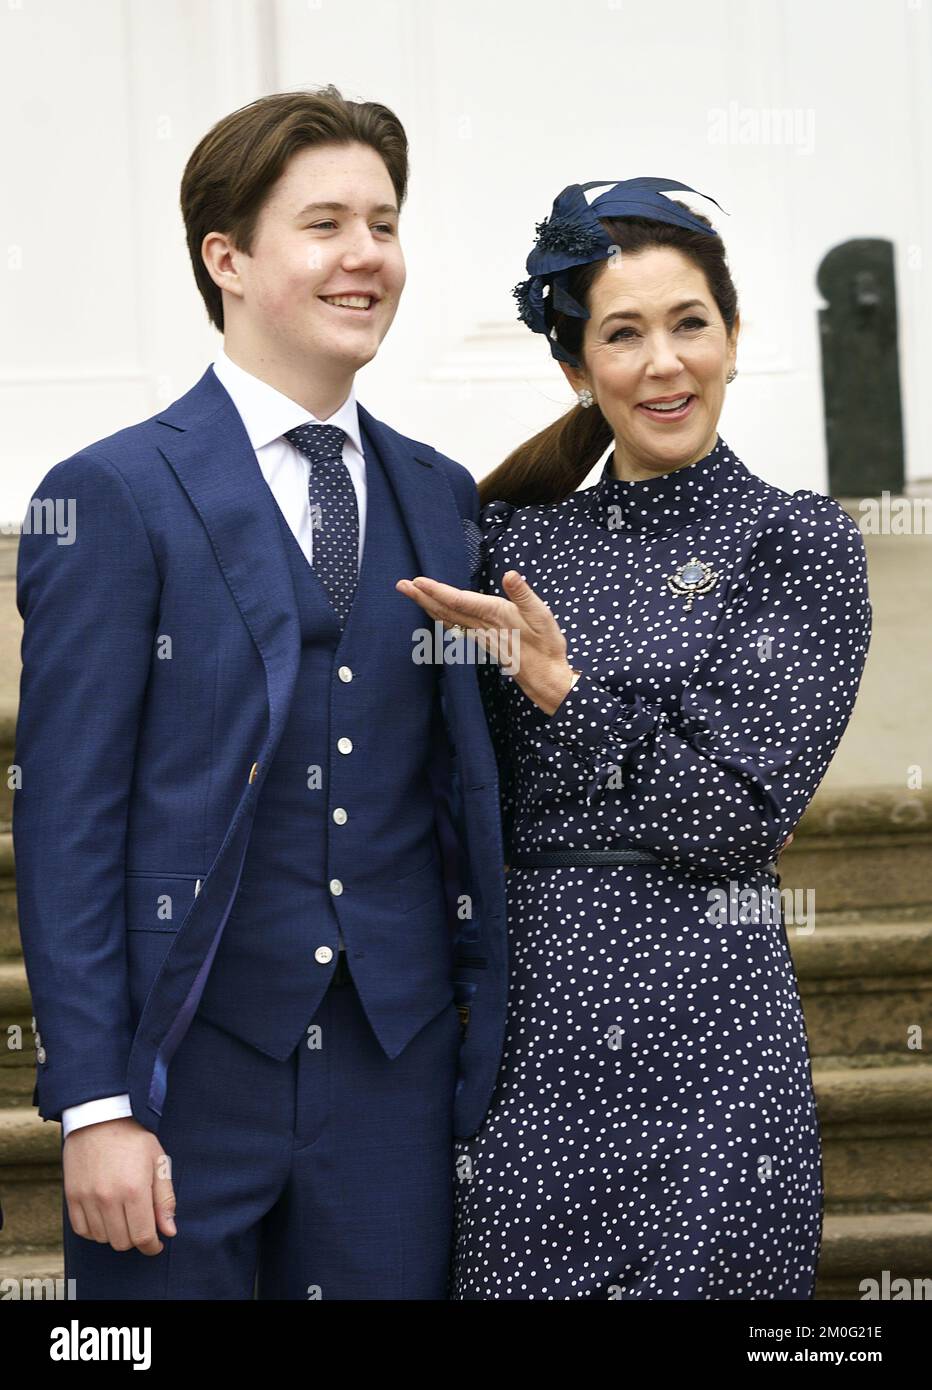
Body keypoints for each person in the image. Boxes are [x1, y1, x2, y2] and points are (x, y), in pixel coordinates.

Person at [13, 86, 509, 1300]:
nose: (367, 257)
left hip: (391, 1082)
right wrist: (95, 1105)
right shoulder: (113, 495)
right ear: (225, 258)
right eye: (326, 223)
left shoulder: (441, 496)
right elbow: (66, 824)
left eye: (384, 224)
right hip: (184, 1079)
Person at [397, 178, 872, 1299]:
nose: (662, 363)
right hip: (528, 1037)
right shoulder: (503, 539)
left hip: (712, 1036)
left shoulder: (796, 546)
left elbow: (733, 823)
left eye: (687, 323)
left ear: (733, 336)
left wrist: (562, 689)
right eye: (622, 333)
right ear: (576, 369)